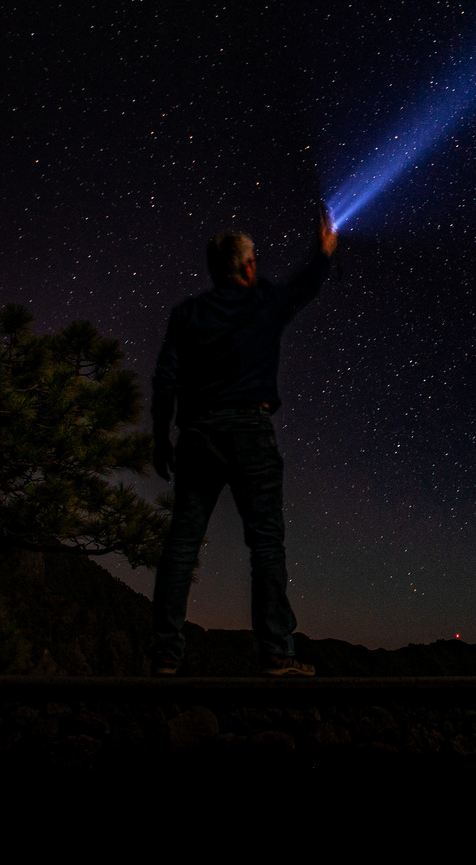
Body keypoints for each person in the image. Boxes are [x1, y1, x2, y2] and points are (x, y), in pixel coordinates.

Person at [149, 208, 338, 676]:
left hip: (198, 436)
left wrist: (160, 435)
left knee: (181, 546)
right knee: (267, 545)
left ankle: (165, 657)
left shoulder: (188, 314)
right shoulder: (265, 302)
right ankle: (276, 652)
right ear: (249, 267)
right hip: (251, 434)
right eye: (256, 260)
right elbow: (305, 288)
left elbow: (165, 378)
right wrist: (324, 251)